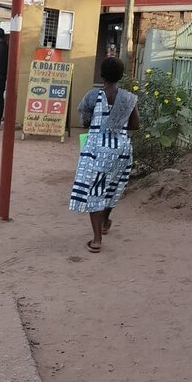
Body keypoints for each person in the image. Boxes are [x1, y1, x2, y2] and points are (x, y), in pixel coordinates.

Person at [69, 58, 139, 253]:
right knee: (113, 187)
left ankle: (97, 240)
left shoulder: (92, 96)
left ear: (101, 75)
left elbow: (85, 120)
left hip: (97, 149)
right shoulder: (128, 98)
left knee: (94, 191)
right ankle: (105, 220)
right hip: (122, 150)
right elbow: (135, 125)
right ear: (121, 76)